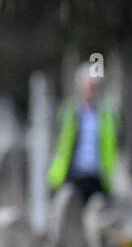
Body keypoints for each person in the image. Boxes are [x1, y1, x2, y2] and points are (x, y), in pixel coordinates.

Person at [48, 65, 118, 202]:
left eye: (93, 86)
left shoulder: (107, 115)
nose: (90, 90)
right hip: (73, 175)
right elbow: (59, 144)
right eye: (88, 86)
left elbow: (112, 144)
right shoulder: (69, 112)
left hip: (98, 177)